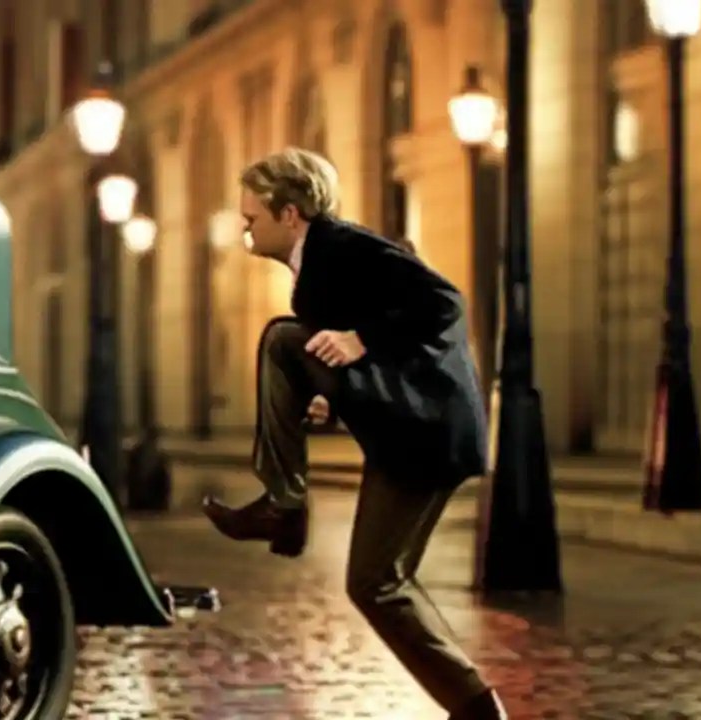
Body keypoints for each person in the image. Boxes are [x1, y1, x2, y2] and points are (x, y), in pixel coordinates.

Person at [200, 147, 508, 719]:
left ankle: (284, 506)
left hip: (428, 433)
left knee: (282, 339)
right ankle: (474, 707)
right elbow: (340, 353)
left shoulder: (343, 245)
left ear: (290, 214)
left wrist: (361, 338)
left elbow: (445, 303)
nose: (245, 230)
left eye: (252, 219)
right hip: (404, 432)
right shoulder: (315, 268)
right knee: (376, 585)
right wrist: (328, 398)